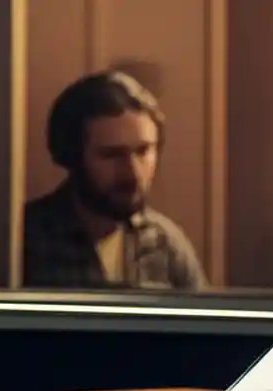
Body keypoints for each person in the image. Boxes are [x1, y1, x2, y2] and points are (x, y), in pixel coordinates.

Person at [23, 71, 206, 290]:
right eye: (111, 155)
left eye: (143, 150)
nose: (133, 173)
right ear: (71, 156)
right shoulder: (27, 240)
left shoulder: (165, 244)